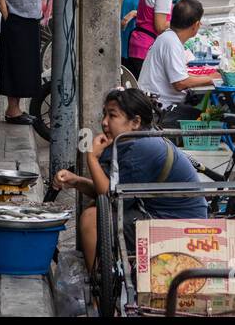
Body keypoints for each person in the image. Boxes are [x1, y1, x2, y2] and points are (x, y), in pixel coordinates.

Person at [53, 88, 207, 272]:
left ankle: (98, 292)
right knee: (96, 208)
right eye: (104, 115)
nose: (104, 122)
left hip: (179, 227)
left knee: (92, 218)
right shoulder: (138, 140)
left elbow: (110, 198)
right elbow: (112, 191)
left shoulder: (140, 147)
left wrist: (91, 157)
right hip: (166, 216)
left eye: (112, 116)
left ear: (135, 122)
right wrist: (76, 181)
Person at [136, 0, 218, 126]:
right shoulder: (171, 42)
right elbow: (180, 83)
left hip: (156, 104)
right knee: (209, 120)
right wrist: (210, 79)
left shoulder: (169, 37)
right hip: (160, 110)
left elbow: (181, 77)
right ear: (196, 25)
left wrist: (207, 77)